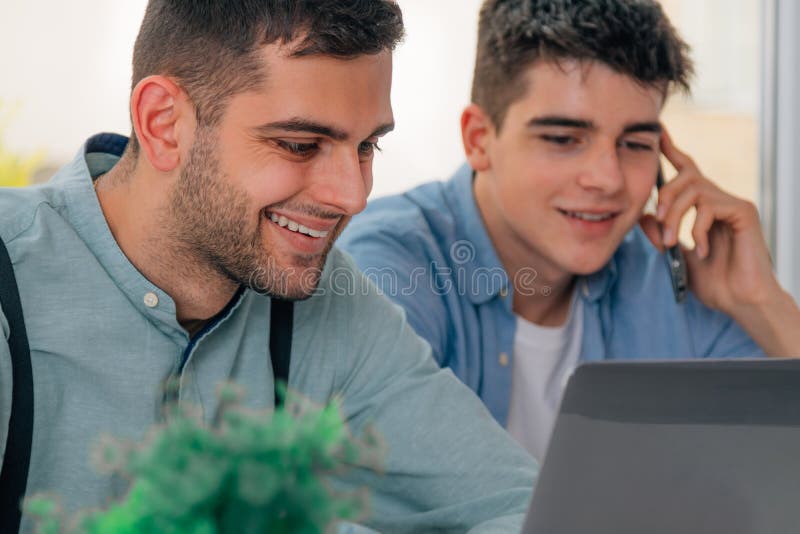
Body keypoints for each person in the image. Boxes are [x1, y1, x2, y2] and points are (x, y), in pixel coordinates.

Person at [0, 2, 537, 532]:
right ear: (163, 124)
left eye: (367, 146)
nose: (352, 196)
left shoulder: (335, 305)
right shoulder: (11, 282)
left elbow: (527, 508)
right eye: (301, 145)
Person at [339, 0, 800, 461]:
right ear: (479, 139)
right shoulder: (389, 265)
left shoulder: (669, 278)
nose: (608, 178)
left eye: (636, 144)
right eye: (563, 139)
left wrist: (763, 303)